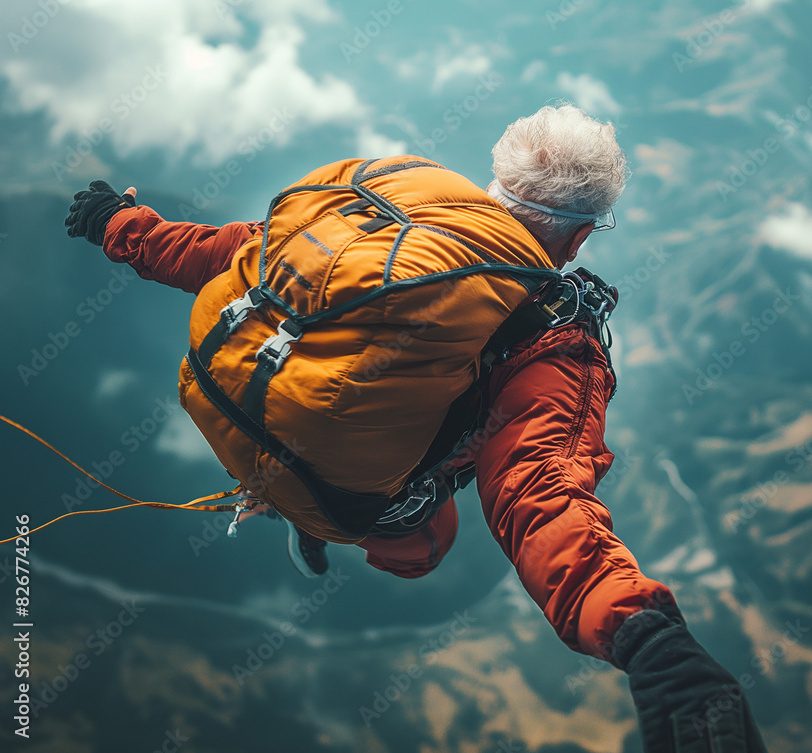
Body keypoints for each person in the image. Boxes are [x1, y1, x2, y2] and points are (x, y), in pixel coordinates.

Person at [65, 104, 768, 752]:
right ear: (583, 234)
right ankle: (316, 511)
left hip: (222, 402)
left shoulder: (386, 200)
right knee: (428, 542)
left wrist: (119, 226)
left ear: (496, 178)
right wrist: (645, 636)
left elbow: (230, 253)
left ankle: (302, 474)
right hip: (337, 493)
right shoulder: (549, 333)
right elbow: (539, 491)